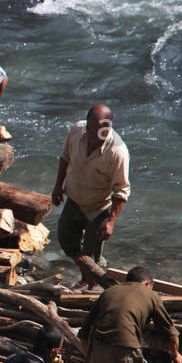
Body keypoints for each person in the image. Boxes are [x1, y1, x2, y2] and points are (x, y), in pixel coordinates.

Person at [52, 104, 131, 289]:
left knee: (91, 253)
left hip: (99, 208)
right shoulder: (77, 131)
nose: (97, 139)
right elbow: (65, 157)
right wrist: (57, 186)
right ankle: (88, 276)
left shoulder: (118, 152)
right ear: (87, 126)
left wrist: (111, 221)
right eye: (93, 133)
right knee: (66, 240)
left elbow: (121, 190)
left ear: (109, 128)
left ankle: (91, 284)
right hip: (74, 199)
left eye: (102, 134)